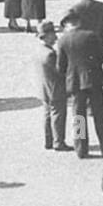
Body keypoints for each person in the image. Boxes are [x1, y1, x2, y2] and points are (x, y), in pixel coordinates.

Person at [57, 13, 103, 158]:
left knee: (78, 116)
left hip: (74, 82)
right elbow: (102, 56)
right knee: (100, 115)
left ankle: (81, 149)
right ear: (79, 22)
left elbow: (60, 66)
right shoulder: (90, 36)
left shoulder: (63, 40)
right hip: (94, 79)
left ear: (67, 25)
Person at [30, 21, 70, 152]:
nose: (56, 37)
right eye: (53, 34)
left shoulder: (38, 50)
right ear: (46, 35)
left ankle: (49, 140)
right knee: (59, 115)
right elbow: (60, 71)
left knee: (48, 114)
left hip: (43, 89)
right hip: (55, 89)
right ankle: (59, 142)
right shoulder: (50, 54)